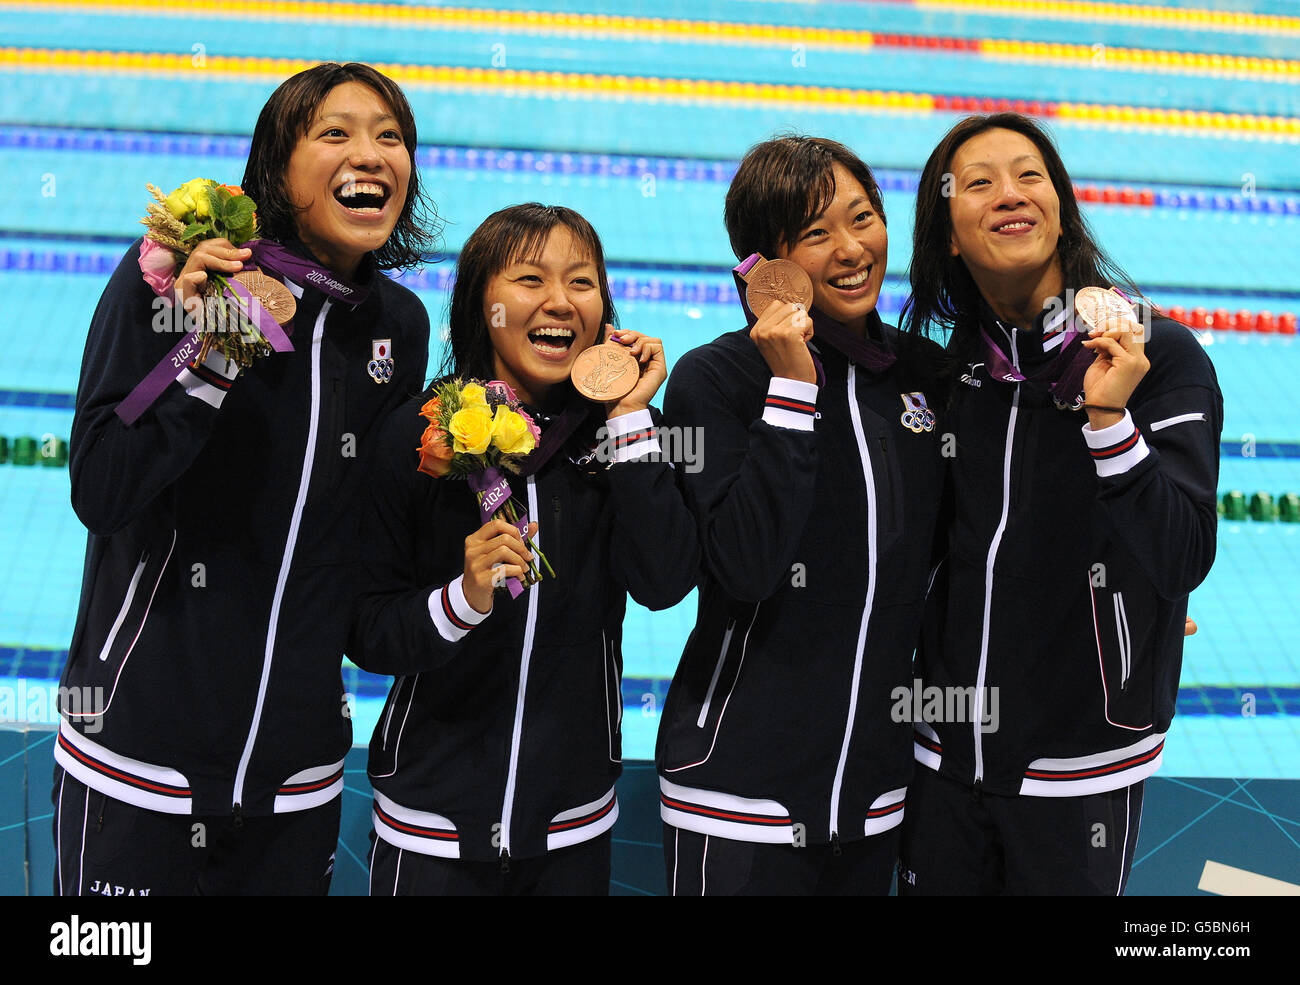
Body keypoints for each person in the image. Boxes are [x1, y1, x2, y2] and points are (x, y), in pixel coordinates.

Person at [54, 62, 437, 896]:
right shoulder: (172, 275)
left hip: (295, 782)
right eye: (334, 133)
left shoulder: (398, 328)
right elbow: (101, 487)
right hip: (140, 760)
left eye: (391, 136)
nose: (370, 154)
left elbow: (371, 544)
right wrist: (212, 357)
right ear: (276, 166)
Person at [898, 113, 1223, 895]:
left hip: (1080, 768)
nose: (1010, 194)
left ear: (1061, 207)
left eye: (1029, 175)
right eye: (979, 183)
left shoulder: (1158, 357)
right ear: (948, 236)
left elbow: (1183, 553)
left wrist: (1108, 420)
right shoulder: (949, 376)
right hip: (941, 759)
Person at [347, 203, 699, 895]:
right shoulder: (419, 434)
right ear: (483, 303)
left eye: (581, 281)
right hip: (431, 822)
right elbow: (366, 627)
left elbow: (663, 581)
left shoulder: (624, 437)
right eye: (531, 279)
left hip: (570, 824)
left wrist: (629, 418)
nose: (560, 301)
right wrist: (461, 600)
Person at [655, 136, 946, 895]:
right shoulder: (717, 379)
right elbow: (745, 566)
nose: (852, 249)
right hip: (736, 794)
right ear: (766, 266)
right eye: (817, 233)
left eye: (863, 217)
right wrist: (791, 390)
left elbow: (975, 543)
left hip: (874, 798)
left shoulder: (923, 375)